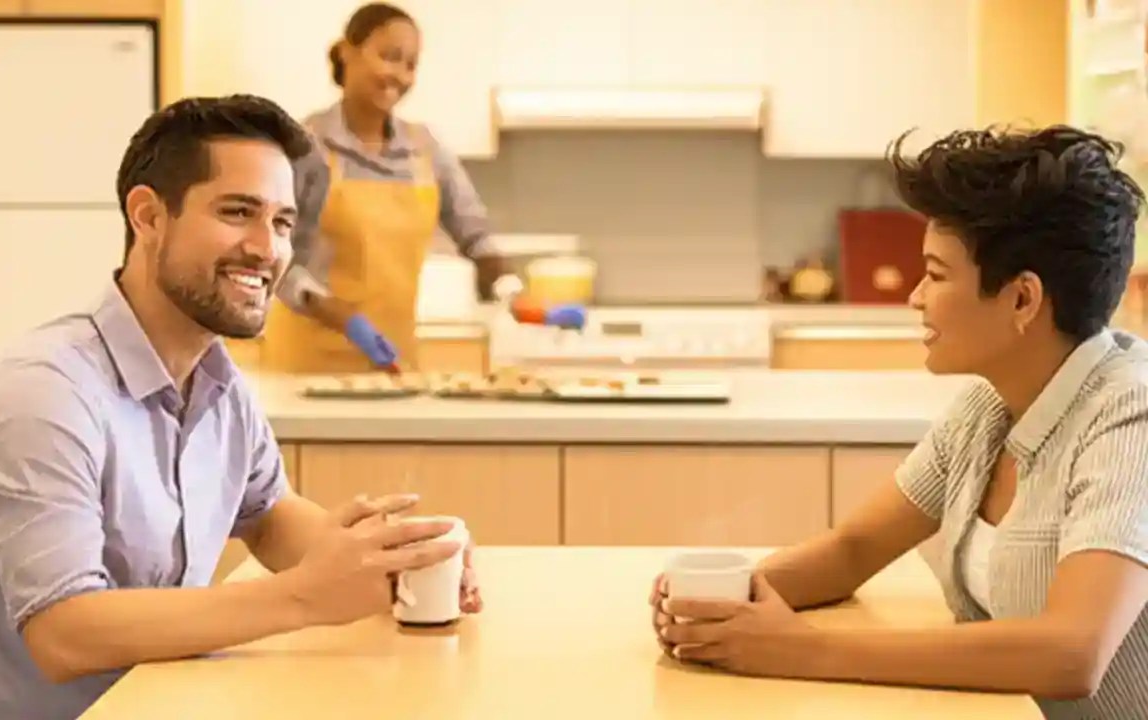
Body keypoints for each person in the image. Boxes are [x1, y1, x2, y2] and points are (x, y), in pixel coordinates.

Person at [0, 94, 481, 720]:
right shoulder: (42, 391)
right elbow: (64, 633)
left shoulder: (220, 384)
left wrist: (393, 561)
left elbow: (269, 517)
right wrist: (303, 597)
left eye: (284, 223)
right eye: (238, 212)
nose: (267, 249)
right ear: (148, 216)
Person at [650, 125, 1148, 720]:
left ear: (1022, 300)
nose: (914, 297)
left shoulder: (1130, 416)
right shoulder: (989, 409)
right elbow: (854, 548)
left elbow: (1072, 652)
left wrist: (798, 649)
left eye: (936, 275)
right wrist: (729, 603)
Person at [268, 1, 586, 373]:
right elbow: (279, 259)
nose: (400, 75)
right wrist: (341, 316)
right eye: (389, 56)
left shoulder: (425, 149)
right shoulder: (306, 147)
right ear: (346, 53)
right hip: (308, 364)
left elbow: (475, 234)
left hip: (394, 361)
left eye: (411, 64)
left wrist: (512, 294)